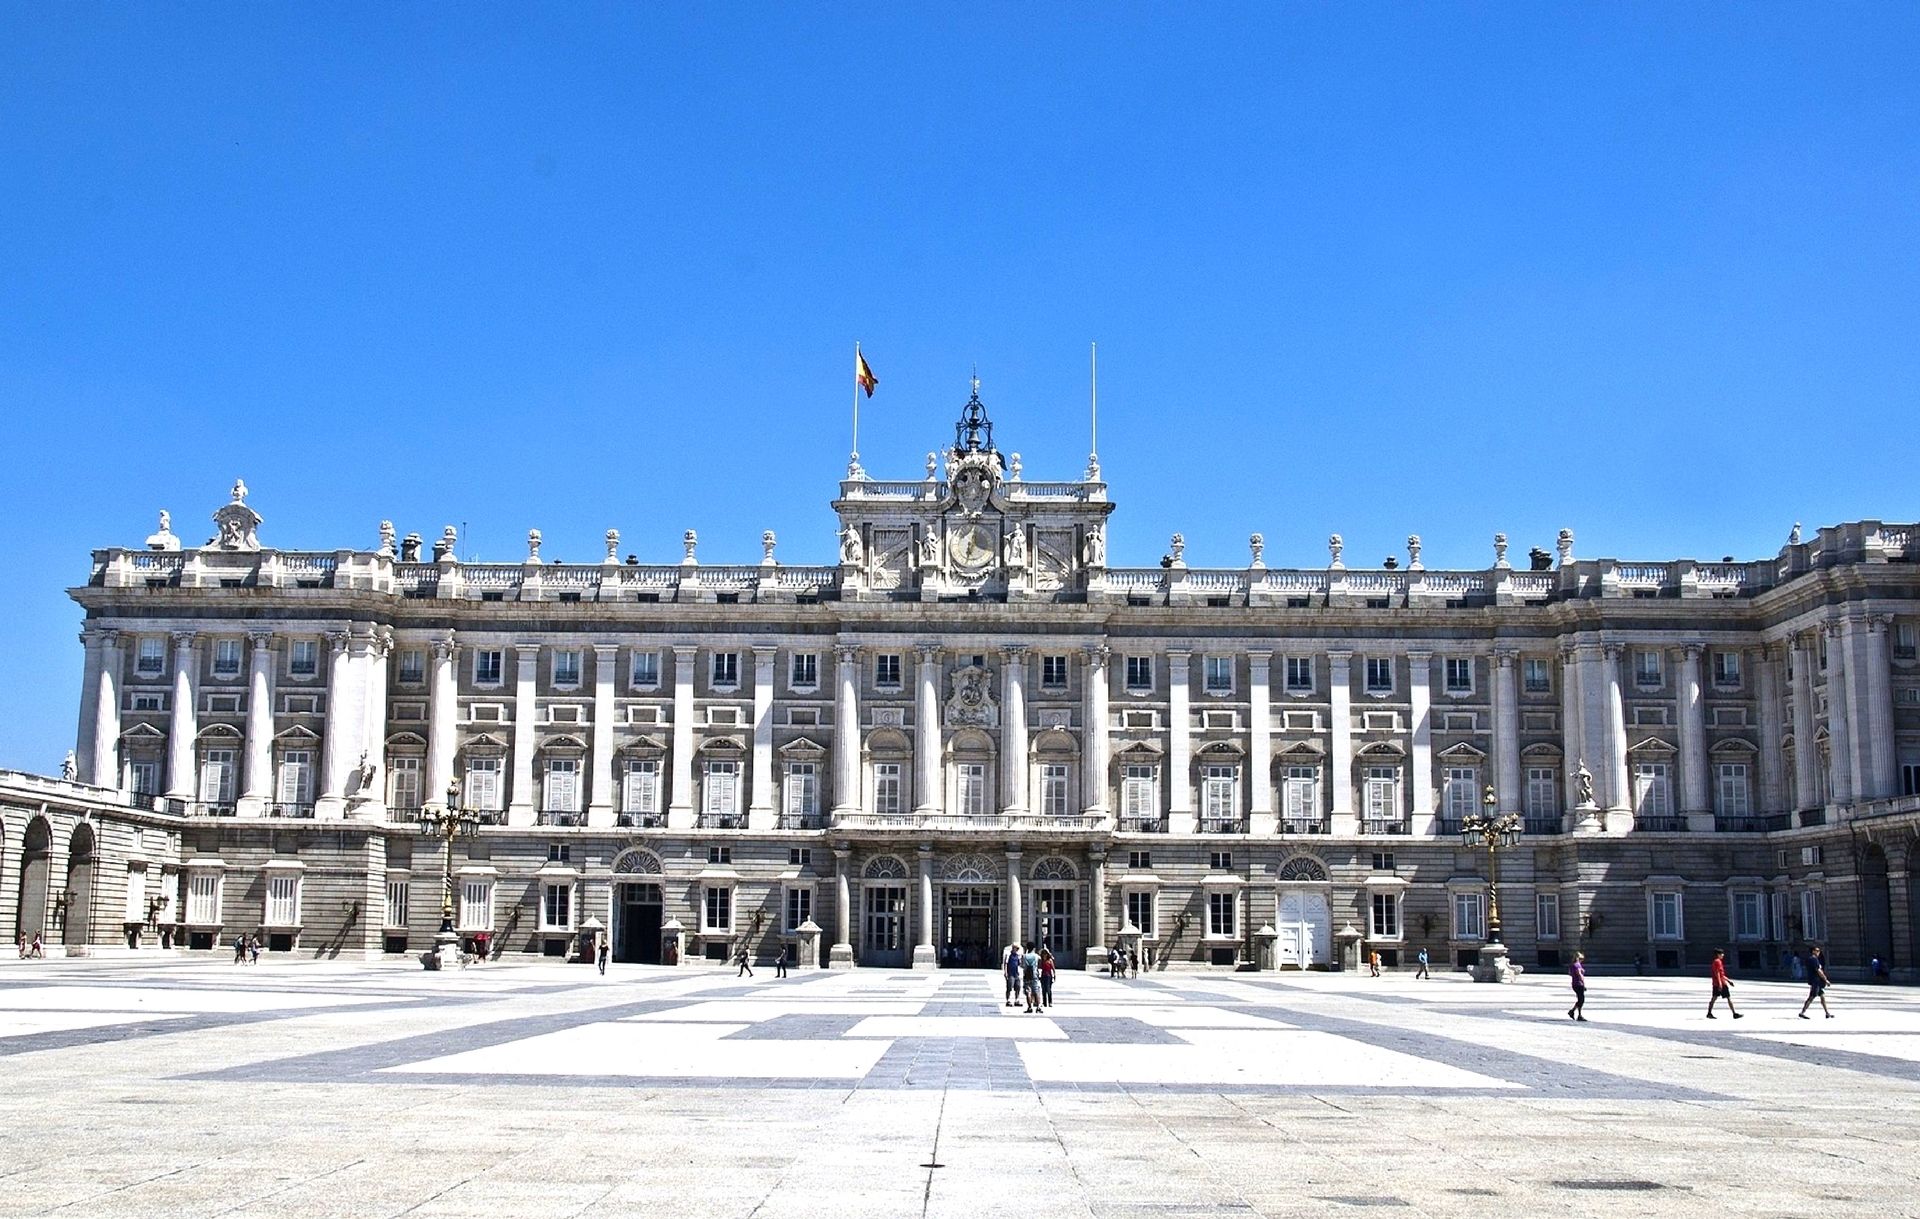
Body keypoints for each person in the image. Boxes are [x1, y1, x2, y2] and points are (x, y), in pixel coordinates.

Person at [1707, 949, 1743, 1019]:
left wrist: (1729, 981)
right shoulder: (1717, 962)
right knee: (1727, 998)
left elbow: (1721, 974)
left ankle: (1709, 1013)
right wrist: (1720, 984)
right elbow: (1717, 973)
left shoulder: (1717, 962)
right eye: (1722, 954)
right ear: (1718, 954)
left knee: (1714, 998)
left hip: (1718, 983)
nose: (1723, 955)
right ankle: (1734, 1014)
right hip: (1720, 984)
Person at [1799, 946, 1833, 1019]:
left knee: (1822, 996)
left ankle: (1827, 1013)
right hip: (1816, 981)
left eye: (1819, 951)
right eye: (1817, 950)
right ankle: (1802, 1012)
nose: (1818, 952)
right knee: (1812, 996)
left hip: (1815, 980)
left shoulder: (1811, 959)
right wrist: (1825, 980)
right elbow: (1818, 970)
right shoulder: (1813, 959)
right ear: (1813, 951)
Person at [1021, 945, 1042, 1014]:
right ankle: (1038, 1007)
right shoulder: (1036, 956)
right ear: (1034, 948)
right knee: (1036, 991)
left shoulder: (1024, 956)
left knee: (1028, 992)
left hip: (1027, 975)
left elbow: (1022, 965)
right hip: (1034, 975)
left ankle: (1030, 1007)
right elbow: (1040, 963)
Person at [1568, 951, 1588, 1022]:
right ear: (1578, 958)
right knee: (1581, 1000)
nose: (1582, 961)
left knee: (1580, 999)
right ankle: (1575, 1013)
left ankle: (1575, 1013)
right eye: (1581, 959)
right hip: (1579, 984)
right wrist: (1583, 983)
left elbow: (1570, 973)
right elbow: (1580, 975)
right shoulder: (1577, 965)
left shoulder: (1572, 965)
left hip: (1574, 984)